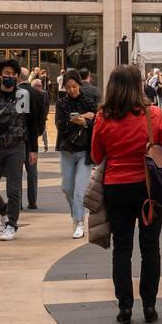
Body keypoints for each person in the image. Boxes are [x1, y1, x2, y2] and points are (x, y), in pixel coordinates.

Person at [90, 65, 162, 323]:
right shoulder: (154, 114)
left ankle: (125, 307)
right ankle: (149, 306)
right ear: (139, 84)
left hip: (117, 187)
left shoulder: (103, 116)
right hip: (149, 188)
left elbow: (96, 155)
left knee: (122, 249)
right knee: (150, 247)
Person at [0, 58, 41, 241]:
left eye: (12, 74)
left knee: (13, 189)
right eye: (6, 73)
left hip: (16, 147)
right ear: (0, 75)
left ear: (17, 76)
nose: (9, 76)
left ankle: (11, 224)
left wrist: (32, 149)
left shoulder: (22, 96)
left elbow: (30, 123)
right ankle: (4, 212)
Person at [56, 69, 98, 238]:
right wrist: (79, 119)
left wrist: (87, 122)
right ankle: (76, 216)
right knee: (67, 188)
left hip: (84, 152)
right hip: (66, 150)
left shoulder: (89, 102)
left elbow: (97, 125)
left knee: (80, 190)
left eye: (74, 86)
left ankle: (80, 221)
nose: (71, 90)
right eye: (68, 87)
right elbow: (60, 125)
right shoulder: (61, 104)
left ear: (79, 85)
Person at [19, 68, 47, 209]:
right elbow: (43, 116)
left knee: (16, 171)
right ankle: (32, 200)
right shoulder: (39, 94)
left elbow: (20, 117)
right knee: (32, 170)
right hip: (32, 137)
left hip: (19, 137)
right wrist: (38, 132)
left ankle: (18, 202)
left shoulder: (18, 93)